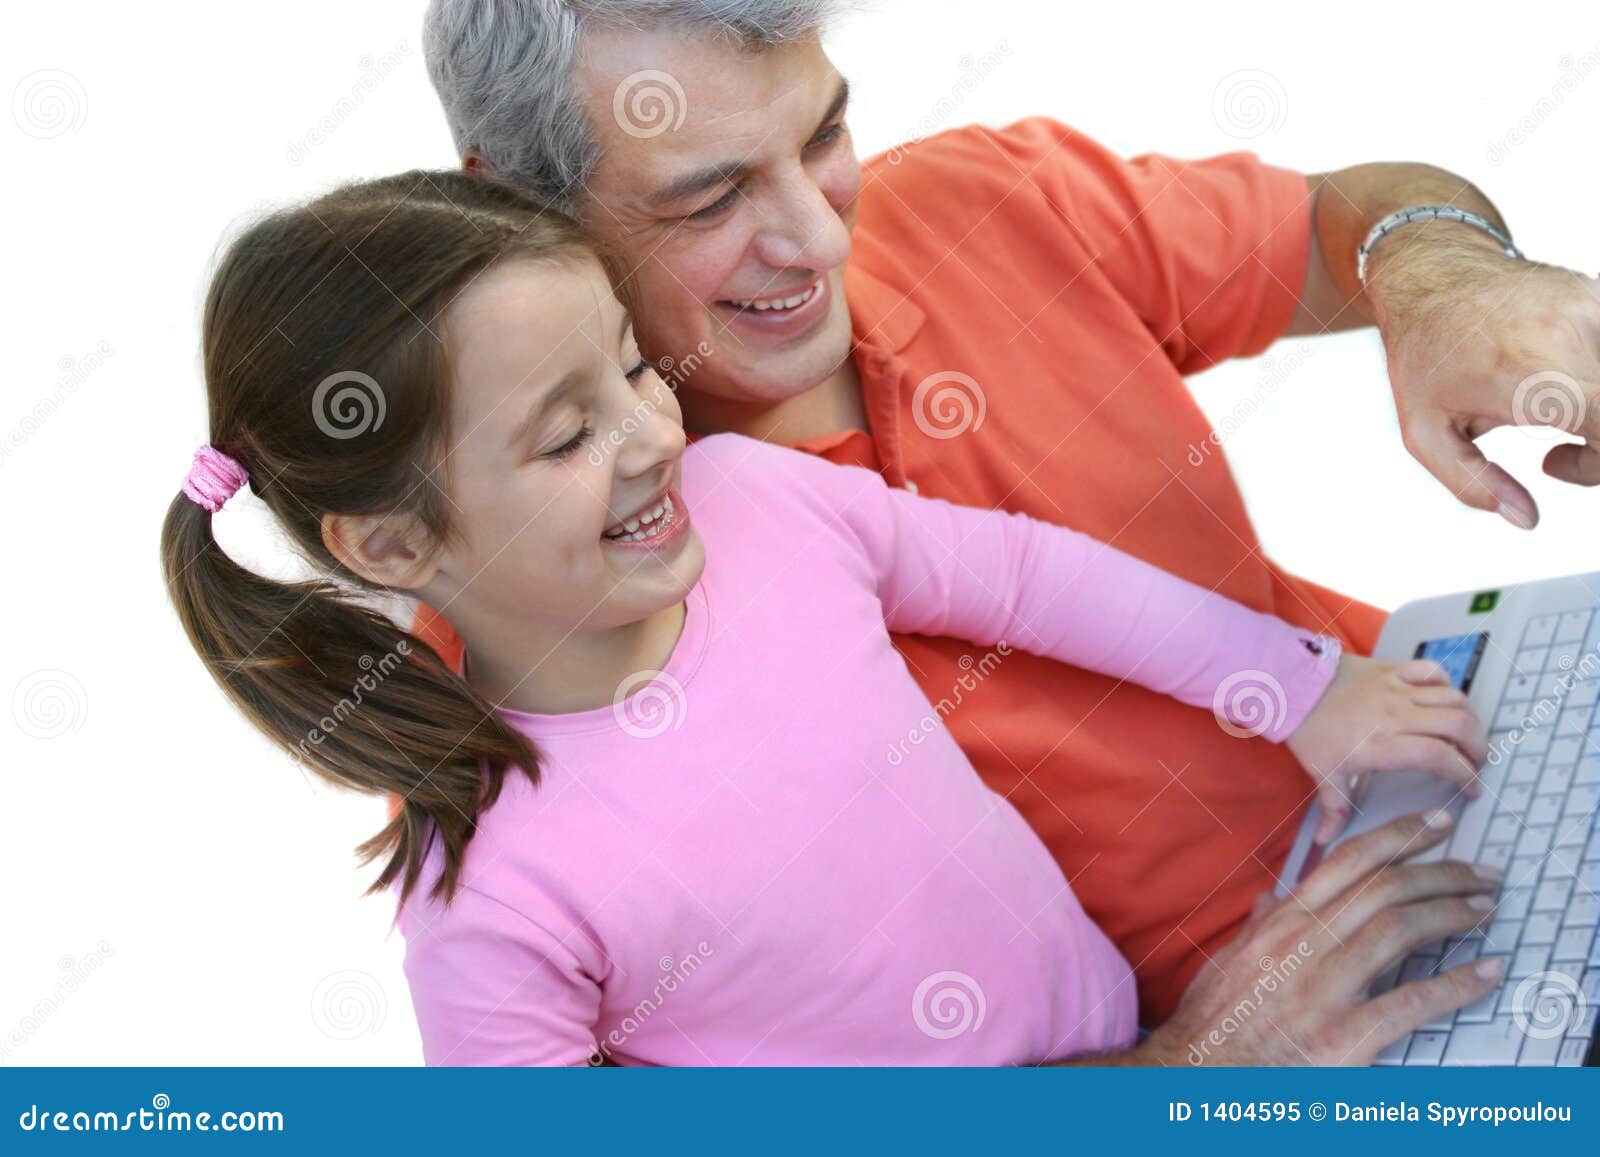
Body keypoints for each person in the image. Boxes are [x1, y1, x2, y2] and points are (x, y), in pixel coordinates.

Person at [419, 0, 1600, 1022]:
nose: (825, 235)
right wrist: (1195, 1069)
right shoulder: (516, 627)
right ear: (517, 204)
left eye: (824, 133)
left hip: (1483, 748)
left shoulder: (980, 200)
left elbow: (1353, 217)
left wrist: (1443, 281)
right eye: (711, 198)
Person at [159, 171, 1497, 1065]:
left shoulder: (758, 501)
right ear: (392, 543)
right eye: (568, 434)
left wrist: (1298, 683)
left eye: (633, 365)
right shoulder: (496, 900)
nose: (650, 435)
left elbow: (1037, 581)